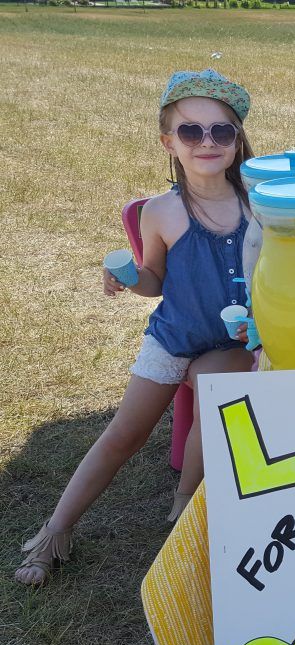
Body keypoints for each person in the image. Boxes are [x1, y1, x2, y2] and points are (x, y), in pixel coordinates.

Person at [15, 70, 256, 586]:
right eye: (191, 132)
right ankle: (53, 532)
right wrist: (127, 278)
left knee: (218, 400)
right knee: (124, 433)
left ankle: (184, 513)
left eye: (222, 131)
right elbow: (155, 282)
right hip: (173, 336)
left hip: (231, 343)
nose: (207, 142)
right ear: (169, 142)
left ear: (238, 139)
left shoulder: (258, 202)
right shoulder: (162, 211)